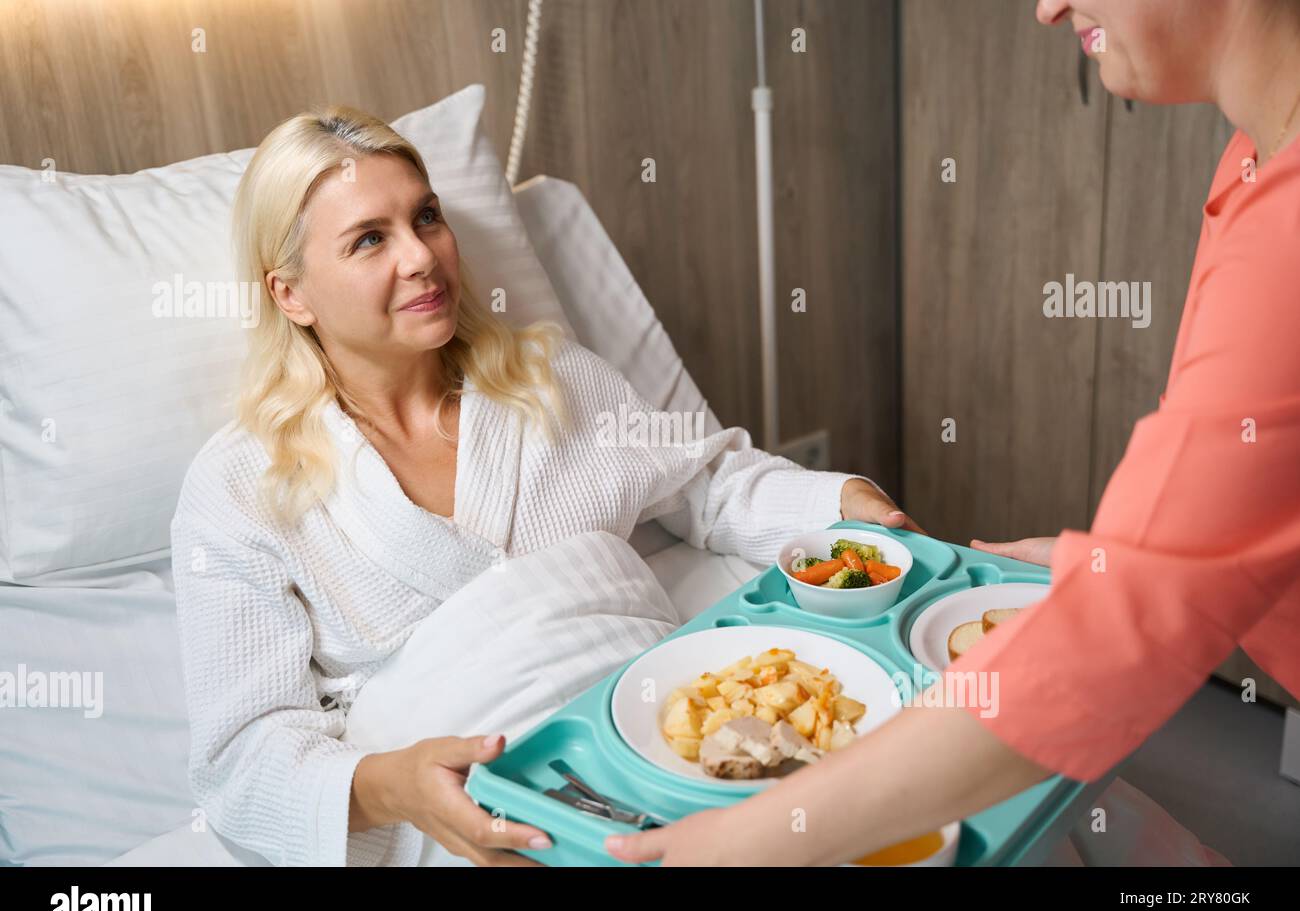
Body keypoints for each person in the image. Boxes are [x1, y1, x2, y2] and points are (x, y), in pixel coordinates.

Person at [607, 0, 1300, 867]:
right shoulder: (1252, 160)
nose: (1047, 8)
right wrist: (1145, 565)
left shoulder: (1285, 231)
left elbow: (1107, 652)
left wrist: (743, 842)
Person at [170, 105, 920, 866]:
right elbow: (242, 759)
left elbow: (710, 484)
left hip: (683, 754)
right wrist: (394, 787)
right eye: (370, 239)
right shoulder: (242, 485)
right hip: (475, 827)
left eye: (426, 218)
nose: (421, 256)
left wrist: (842, 504)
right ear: (290, 294)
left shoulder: (547, 377)